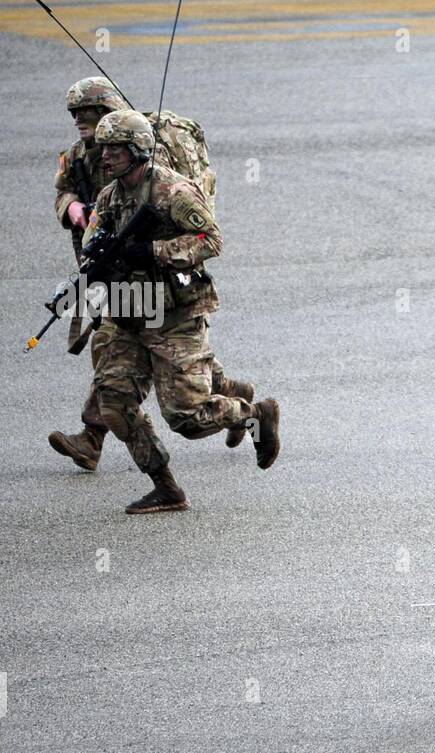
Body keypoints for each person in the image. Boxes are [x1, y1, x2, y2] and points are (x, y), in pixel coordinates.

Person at [49, 77, 252, 472]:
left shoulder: (153, 155)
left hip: (164, 285)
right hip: (116, 277)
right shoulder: (77, 157)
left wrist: (151, 250)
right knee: (114, 358)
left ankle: (239, 405)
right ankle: (95, 437)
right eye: (77, 118)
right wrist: (73, 209)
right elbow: (65, 191)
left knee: (181, 392)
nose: (82, 125)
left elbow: (200, 227)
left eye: (88, 116)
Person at [83, 109, 280, 513]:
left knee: (187, 418)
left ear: (137, 149)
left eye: (115, 150)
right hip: (128, 313)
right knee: (115, 404)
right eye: (104, 150)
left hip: (174, 315)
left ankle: (253, 414)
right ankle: (166, 488)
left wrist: (153, 250)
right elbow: (93, 239)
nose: (106, 157)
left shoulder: (173, 191)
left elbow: (211, 239)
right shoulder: (110, 196)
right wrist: (98, 261)